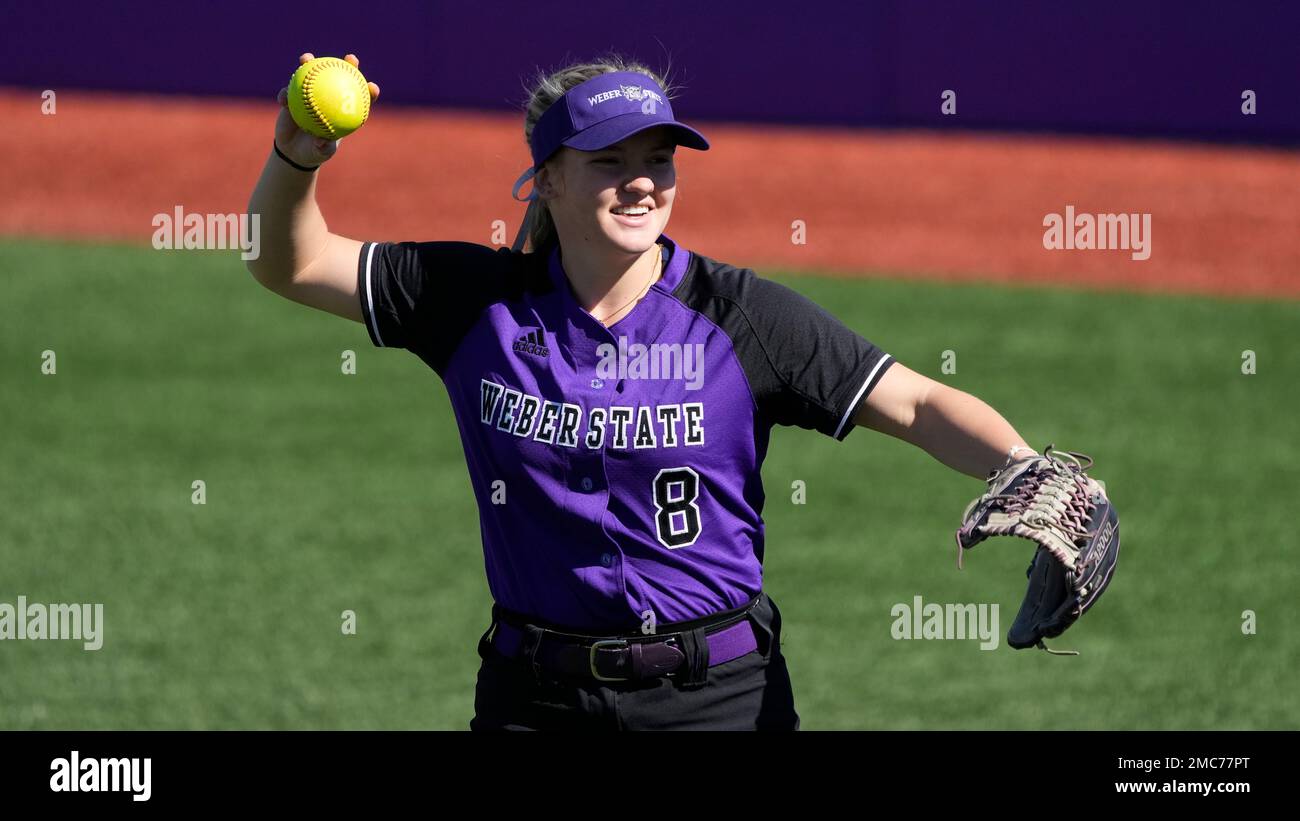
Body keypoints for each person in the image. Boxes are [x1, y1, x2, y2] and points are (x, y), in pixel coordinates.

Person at [246, 53, 1042, 731]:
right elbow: (290, 261)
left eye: (658, 160)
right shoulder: (473, 301)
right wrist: (299, 153)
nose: (642, 184)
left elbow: (914, 401)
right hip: (535, 696)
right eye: (609, 162)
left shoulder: (740, 317)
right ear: (546, 179)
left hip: (717, 701)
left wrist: (1029, 470)